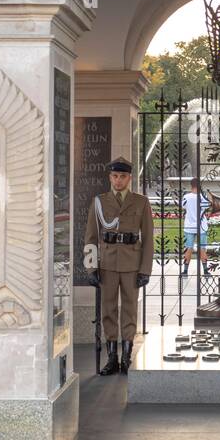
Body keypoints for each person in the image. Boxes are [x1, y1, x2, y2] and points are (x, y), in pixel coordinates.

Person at [83, 157, 154, 375]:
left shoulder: (140, 202)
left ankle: (126, 355)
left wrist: (145, 270)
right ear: (110, 177)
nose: (118, 180)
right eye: (115, 176)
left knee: (130, 310)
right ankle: (112, 357)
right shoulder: (99, 201)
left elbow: (149, 239)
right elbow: (91, 237)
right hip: (107, 265)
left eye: (122, 176)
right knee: (109, 310)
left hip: (132, 264)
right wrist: (91, 267)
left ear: (129, 178)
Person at [181, 177, 209, 275]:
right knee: (202, 248)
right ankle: (205, 270)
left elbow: (183, 207)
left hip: (189, 225)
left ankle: (185, 271)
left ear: (191, 185)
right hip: (201, 226)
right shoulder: (203, 196)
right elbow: (206, 207)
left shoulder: (186, 197)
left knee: (189, 248)